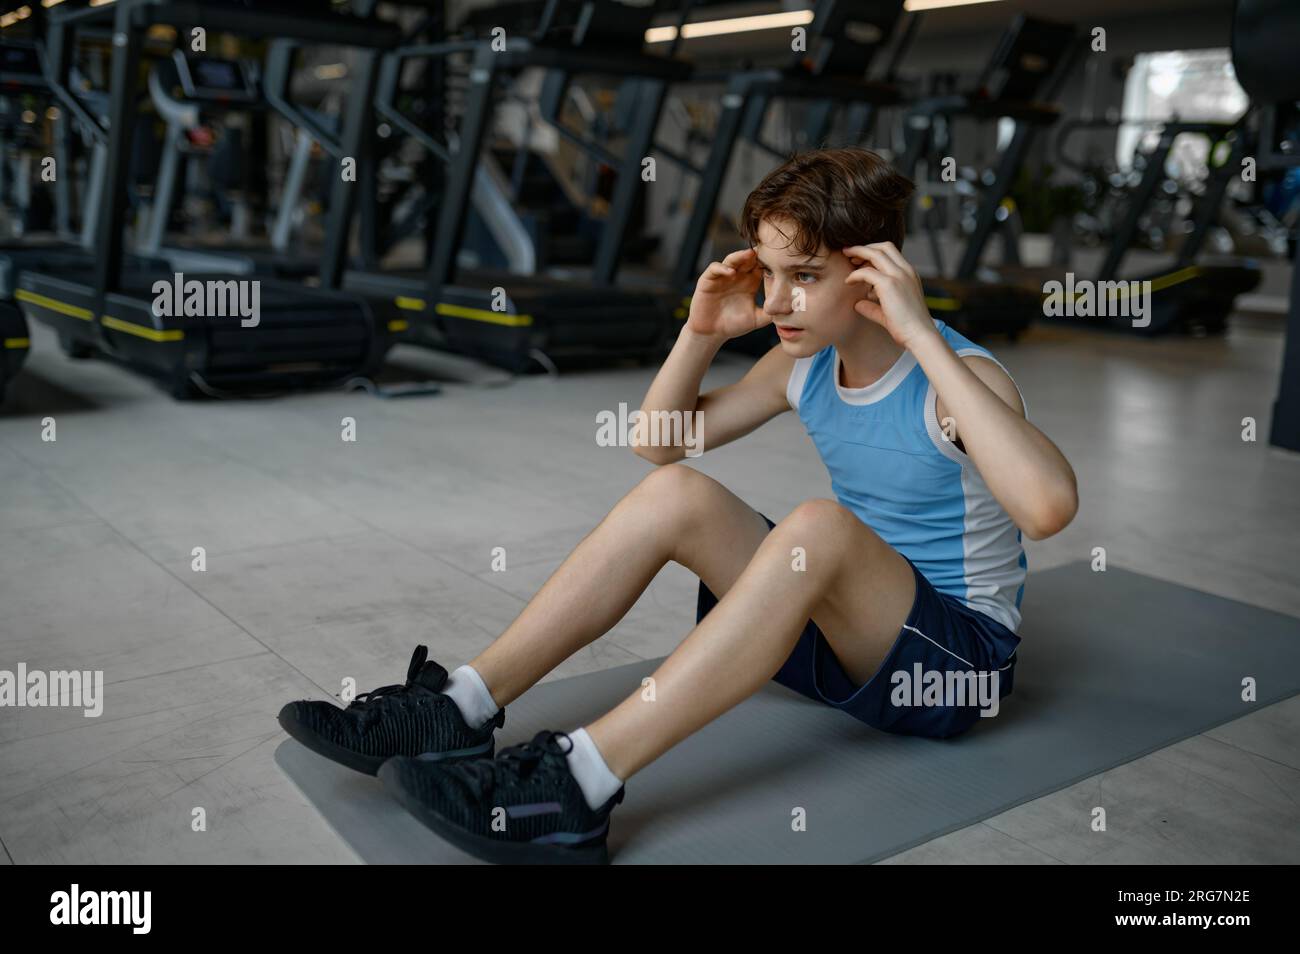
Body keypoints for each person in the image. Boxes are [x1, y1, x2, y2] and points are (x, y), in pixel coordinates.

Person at [279, 147, 1079, 865]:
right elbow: (659, 443)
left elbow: (1047, 510)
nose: (776, 301)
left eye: (805, 276)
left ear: (876, 273)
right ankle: (459, 707)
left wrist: (923, 335)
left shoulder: (960, 384)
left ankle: (576, 788)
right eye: (769, 274)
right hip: (849, 640)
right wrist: (700, 333)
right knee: (677, 494)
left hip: (951, 670)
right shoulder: (800, 367)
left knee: (817, 528)